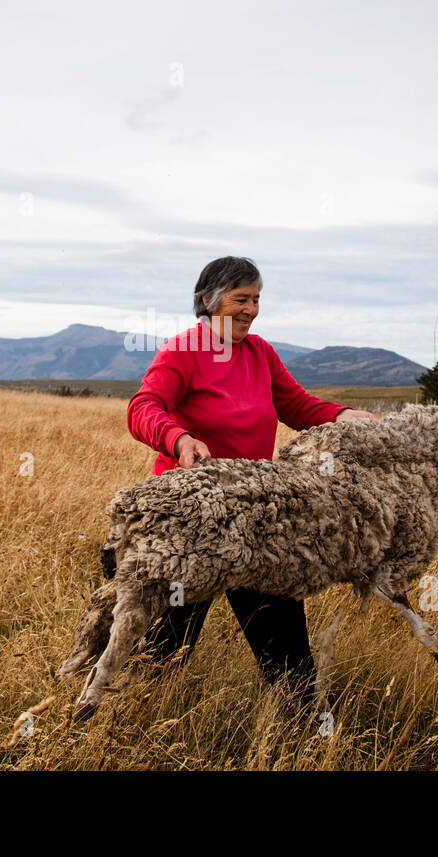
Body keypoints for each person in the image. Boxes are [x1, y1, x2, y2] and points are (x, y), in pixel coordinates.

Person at [121, 256, 377, 712]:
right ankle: (132, 727)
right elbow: (143, 407)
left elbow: (296, 406)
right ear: (208, 301)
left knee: (285, 646)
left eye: (256, 299)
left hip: (256, 518)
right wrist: (178, 438)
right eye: (241, 298)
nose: (251, 309)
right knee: (164, 647)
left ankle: (306, 735)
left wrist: (341, 415)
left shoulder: (260, 352)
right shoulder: (183, 350)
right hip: (190, 522)